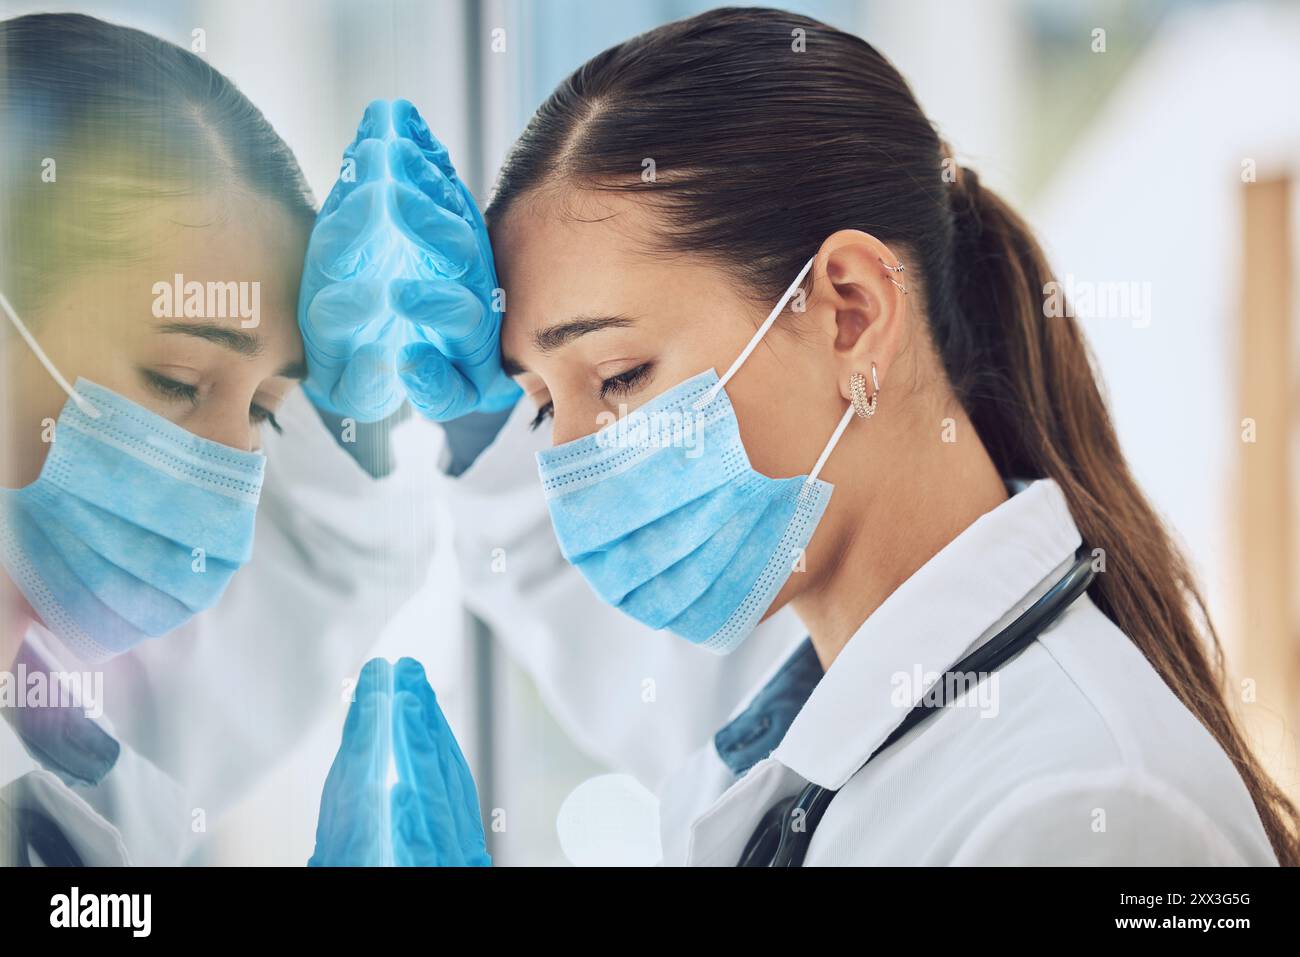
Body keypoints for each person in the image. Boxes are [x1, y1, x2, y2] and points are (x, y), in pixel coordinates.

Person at [314, 7, 1297, 865]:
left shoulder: (1082, 808)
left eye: (618, 377)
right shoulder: (835, 698)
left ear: (851, 313)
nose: (569, 470)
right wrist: (481, 426)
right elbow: (644, 672)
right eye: (539, 405)